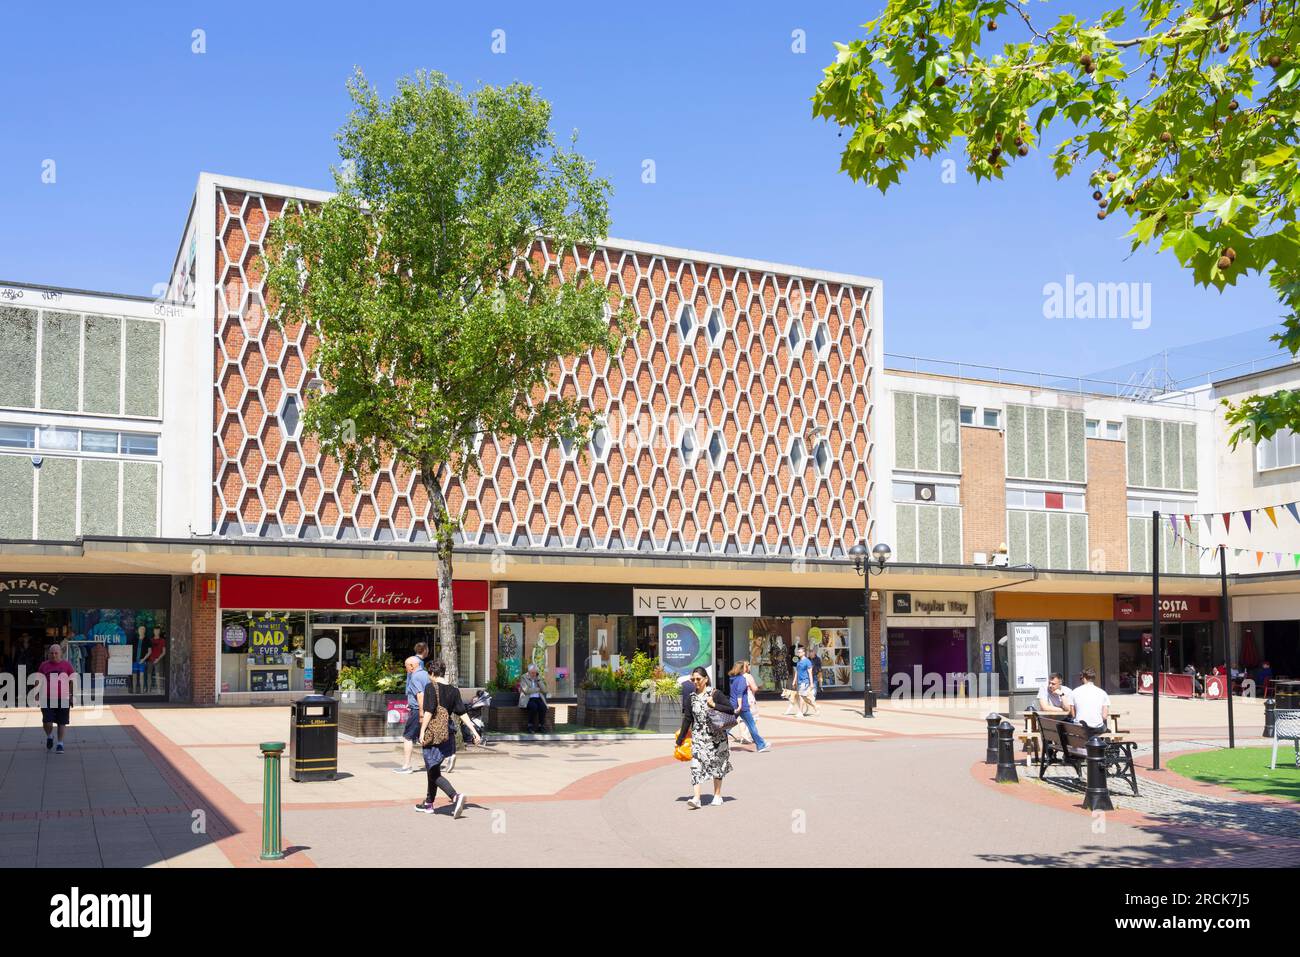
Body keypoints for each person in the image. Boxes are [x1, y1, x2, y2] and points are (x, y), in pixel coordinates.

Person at [416, 660, 480, 817]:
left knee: (433, 772)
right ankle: (429, 803)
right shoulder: (453, 690)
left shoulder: (430, 687)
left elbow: (429, 711)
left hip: (433, 735)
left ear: (431, 673)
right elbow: (462, 713)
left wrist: (422, 731)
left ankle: (455, 796)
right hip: (447, 735)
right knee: (434, 768)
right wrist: (474, 731)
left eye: (429, 675)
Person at [676, 666, 735, 809]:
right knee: (696, 766)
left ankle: (717, 795)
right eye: (693, 679)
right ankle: (696, 798)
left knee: (717, 765)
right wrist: (680, 739)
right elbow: (687, 719)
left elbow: (730, 709)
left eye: (698, 679)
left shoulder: (715, 693)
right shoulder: (691, 697)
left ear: (706, 679)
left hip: (716, 737)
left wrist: (714, 704)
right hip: (699, 737)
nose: (695, 682)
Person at [394, 655, 430, 774]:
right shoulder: (426, 674)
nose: (406, 669)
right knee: (425, 736)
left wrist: (420, 713)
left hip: (417, 710)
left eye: (406, 666)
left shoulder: (415, 677)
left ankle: (407, 766)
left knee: (408, 737)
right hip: (428, 709)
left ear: (412, 666)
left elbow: (420, 695)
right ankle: (447, 756)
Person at [37, 643, 75, 754]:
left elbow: (72, 681)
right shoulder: (43, 665)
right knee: (47, 721)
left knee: (61, 722)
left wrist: (71, 696)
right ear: (48, 654)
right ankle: (49, 736)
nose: (54, 655)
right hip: (47, 698)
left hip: (63, 698)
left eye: (56, 653)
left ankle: (60, 744)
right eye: (52, 653)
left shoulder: (67, 665)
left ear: (61, 654)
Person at [728, 660, 770, 753]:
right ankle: (761, 745)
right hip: (742, 706)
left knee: (728, 725)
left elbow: (734, 692)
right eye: (745, 667)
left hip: (732, 703)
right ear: (742, 668)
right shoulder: (742, 679)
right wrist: (740, 705)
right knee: (751, 726)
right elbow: (740, 693)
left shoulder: (732, 678)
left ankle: (717, 744)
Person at [1069, 668, 1111, 735]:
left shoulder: (1074, 692)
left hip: (1080, 727)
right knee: (1104, 726)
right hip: (1097, 728)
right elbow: (1104, 716)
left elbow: (1073, 714)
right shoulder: (1102, 693)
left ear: (1084, 678)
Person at [518, 663, 548, 734]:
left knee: (543, 707)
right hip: (528, 699)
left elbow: (544, 690)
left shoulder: (538, 677)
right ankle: (530, 726)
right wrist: (537, 689)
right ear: (528, 672)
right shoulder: (523, 677)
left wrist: (539, 680)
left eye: (535, 672)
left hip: (538, 698)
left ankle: (541, 726)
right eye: (532, 673)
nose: (534, 674)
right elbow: (526, 690)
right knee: (533, 707)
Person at [795, 644, 819, 716]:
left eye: (800, 652)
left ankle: (800, 712)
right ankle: (815, 707)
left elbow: (810, 672)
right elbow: (797, 672)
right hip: (799, 682)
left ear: (803, 653)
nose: (798, 653)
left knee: (801, 696)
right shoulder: (799, 662)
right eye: (798, 652)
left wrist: (811, 683)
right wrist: (795, 681)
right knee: (805, 698)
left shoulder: (807, 661)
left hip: (805, 681)